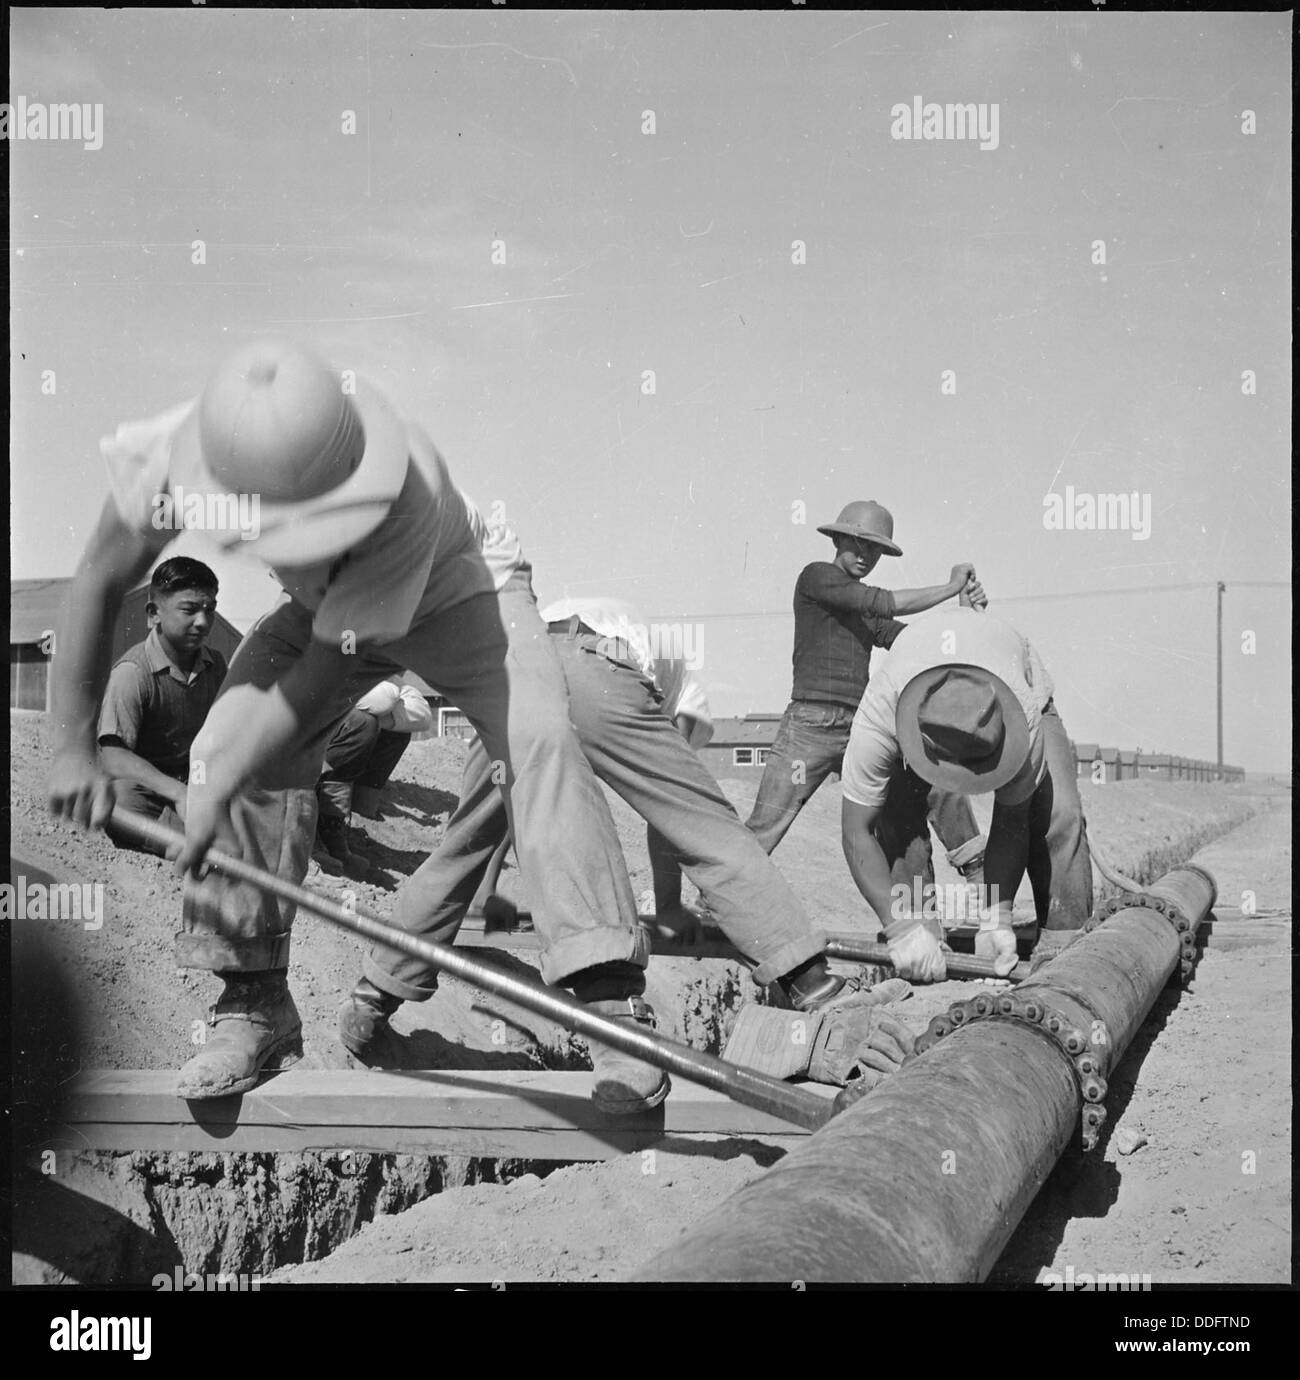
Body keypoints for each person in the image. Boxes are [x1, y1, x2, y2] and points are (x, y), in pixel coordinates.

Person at [46, 338, 669, 1113]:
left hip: (465, 591)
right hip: (326, 610)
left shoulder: (405, 492)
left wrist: (231, 772)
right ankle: (255, 1003)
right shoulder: (171, 462)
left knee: (536, 739)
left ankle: (609, 1001)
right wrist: (72, 748)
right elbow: (99, 578)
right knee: (215, 755)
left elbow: (319, 683)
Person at [338, 594, 906, 1077]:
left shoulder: (610, 618)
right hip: (595, 669)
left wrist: (490, 905)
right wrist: (670, 908)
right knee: (710, 826)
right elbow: (676, 820)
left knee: (467, 840)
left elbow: (507, 818)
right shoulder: (685, 691)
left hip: (509, 672)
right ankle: (814, 987)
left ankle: (376, 993)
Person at [839, 601, 1092, 982]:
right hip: (916, 680)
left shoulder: (1023, 714)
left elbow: (1011, 822)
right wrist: (898, 928)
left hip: (1012, 671)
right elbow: (856, 830)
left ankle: (1065, 946)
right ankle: (919, 930)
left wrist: (996, 918)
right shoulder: (880, 711)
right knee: (898, 818)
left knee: (1060, 814)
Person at [744, 500, 989, 887]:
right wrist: (950, 587)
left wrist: (964, 614)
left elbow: (912, 640)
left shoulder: (861, 605)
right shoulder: (817, 578)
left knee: (914, 806)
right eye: (857, 544)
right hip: (810, 726)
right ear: (837, 539)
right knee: (767, 823)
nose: (864, 555)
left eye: (874, 548)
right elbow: (884, 602)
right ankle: (712, 906)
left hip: (861, 726)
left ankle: (926, 913)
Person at [97, 557, 228, 855]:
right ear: (154, 614)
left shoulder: (215, 665)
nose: (203, 622)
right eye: (189, 610)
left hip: (200, 786)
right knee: (118, 801)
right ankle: (183, 845)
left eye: (210, 610)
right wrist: (177, 792)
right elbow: (113, 757)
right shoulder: (133, 672)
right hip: (153, 791)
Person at [312, 675, 433, 878]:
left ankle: (337, 822)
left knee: (391, 730)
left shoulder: (373, 665)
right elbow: (381, 699)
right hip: (290, 740)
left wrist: (382, 716)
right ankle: (315, 831)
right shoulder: (338, 651)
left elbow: (422, 714)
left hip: (326, 728)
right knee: (362, 722)